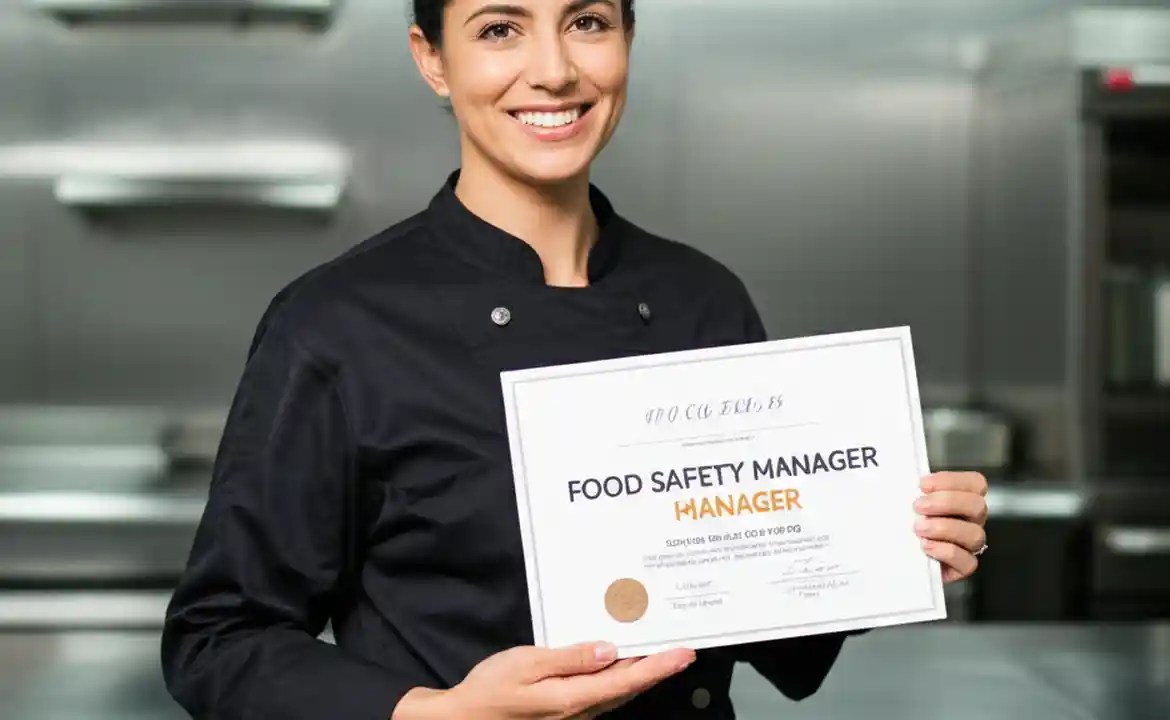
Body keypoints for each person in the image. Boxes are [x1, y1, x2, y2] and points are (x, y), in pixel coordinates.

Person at [159, 1, 991, 718]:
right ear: (432, 59)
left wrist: (887, 547)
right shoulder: (338, 324)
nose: (553, 71)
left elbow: (754, 610)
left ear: (628, 37)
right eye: (499, 29)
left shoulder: (703, 297)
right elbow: (218, 639)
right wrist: (432, 715)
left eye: (587, 22)